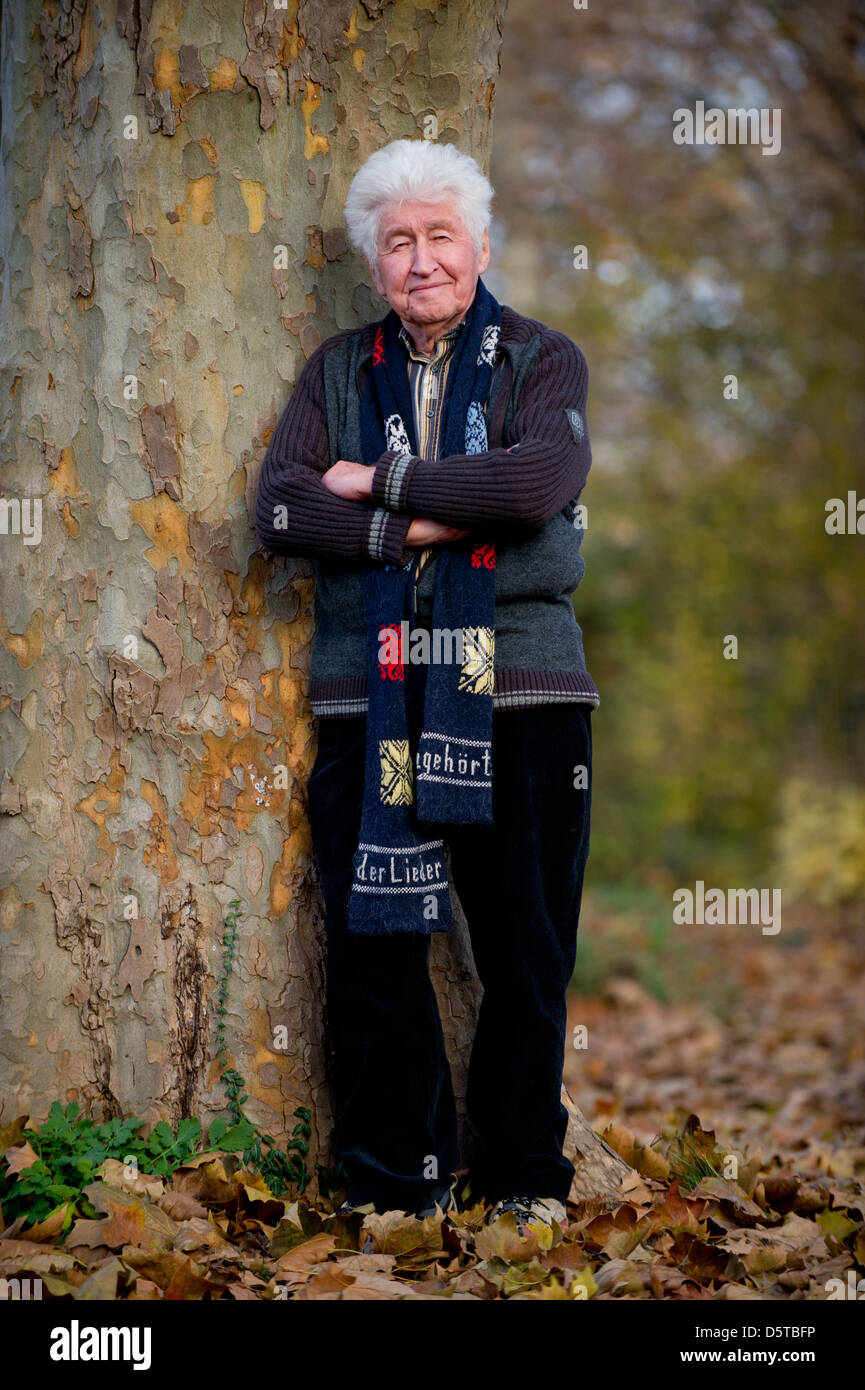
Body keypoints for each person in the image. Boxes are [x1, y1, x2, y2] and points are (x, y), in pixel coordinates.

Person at [255, 138, 598, 1236]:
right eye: (397, 241)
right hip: (372, 694)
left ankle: (520, 1182)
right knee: (377, 947)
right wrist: (452, 518)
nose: (421, 260)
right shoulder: (333, 372)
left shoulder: (544, 362)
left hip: (530, 697)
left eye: (440, 235)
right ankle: (397, 1181)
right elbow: (275, 511)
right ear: (374, 262)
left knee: (525, 952)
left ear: (480, 245)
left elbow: (538, 485)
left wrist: (383, 489)